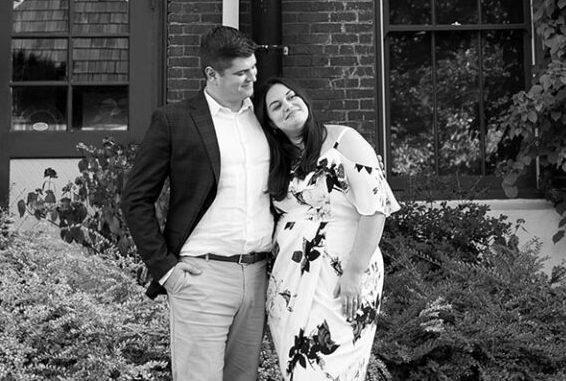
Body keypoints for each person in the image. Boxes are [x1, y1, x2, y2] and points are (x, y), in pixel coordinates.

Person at [121, 26, 273, 381]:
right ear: (211, 74)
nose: (252, 78)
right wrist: (166, 270)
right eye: (241, 73)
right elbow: (136, 198)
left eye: (253, 68)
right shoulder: (175, 120)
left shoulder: (265, 117)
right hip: (202, 277)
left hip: (258, 274)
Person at [258, 78, 399, 381]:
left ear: (305, 99)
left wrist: (354, 272)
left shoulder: (344, 140)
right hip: (289, 281)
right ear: (270, 123)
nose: (288, 106)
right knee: (296, 373)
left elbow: (376, 209)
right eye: (276, 106)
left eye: (292, 97)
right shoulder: (278, 160)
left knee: (331, 370)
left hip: (342, 274)